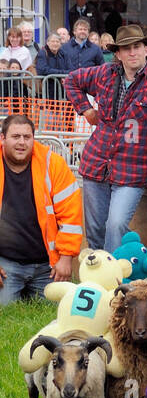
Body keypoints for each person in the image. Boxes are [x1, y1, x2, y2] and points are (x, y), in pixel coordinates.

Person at [65, 24, 147, 253]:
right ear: (117, 54)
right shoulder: (104, 73)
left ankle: (116, 281)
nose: (132, 53)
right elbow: (71, 80)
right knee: (96, 229)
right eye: (126, 48)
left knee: (116, 224)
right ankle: (99, 280)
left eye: (137, 46)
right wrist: (87, 110)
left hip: (134, 168)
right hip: (97, 163)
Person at [0, 115, 84, 304]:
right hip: (6, 263)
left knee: (61, 310)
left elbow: (71, 215)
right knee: (4, 311)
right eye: (15, 136)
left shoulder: (52, 164)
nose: (22, 142)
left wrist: (65, 258)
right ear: (3, 139)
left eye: (27, 137)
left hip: (47, 264)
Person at [36, 32, 65, 97]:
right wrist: (62, 73)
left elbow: (68, 68)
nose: (55, 44)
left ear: (60, 44)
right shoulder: (42, 53)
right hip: (46, 90)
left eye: (57, 42)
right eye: (53, 41)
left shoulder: (62, 54)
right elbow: (43, 70)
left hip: (59, 90)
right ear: (47, 42)